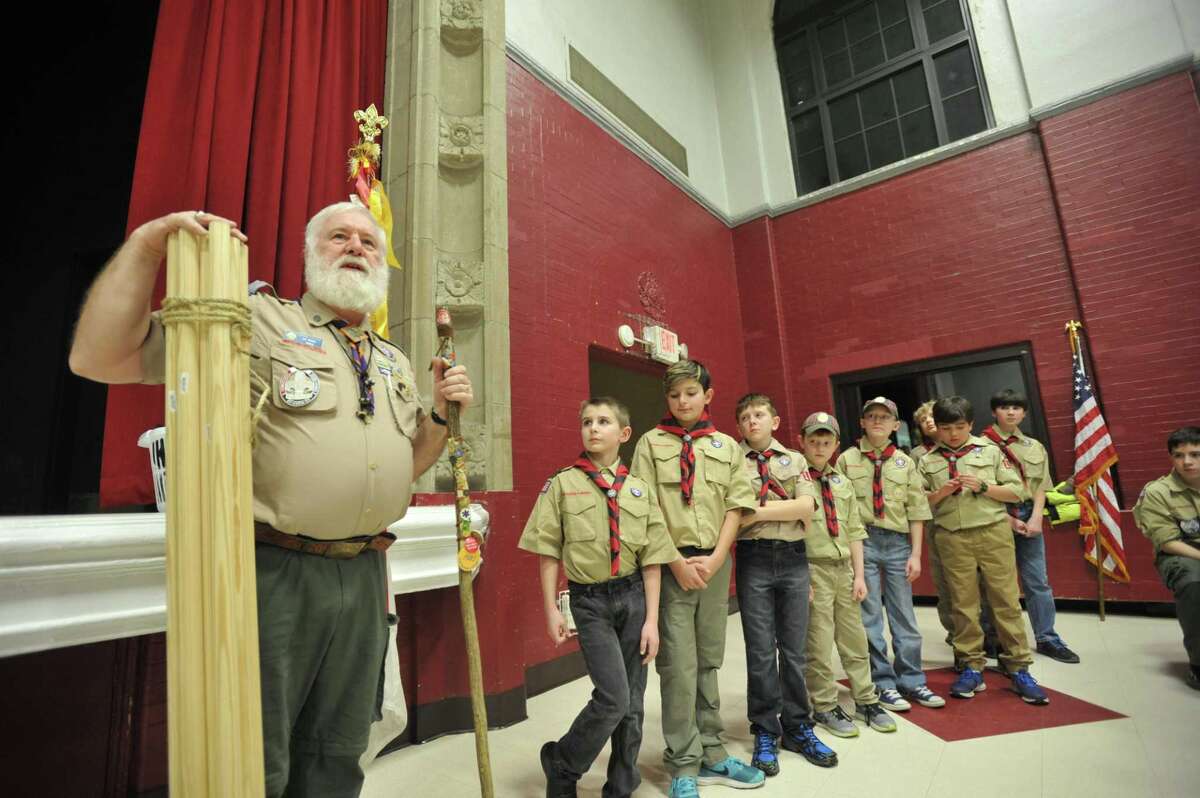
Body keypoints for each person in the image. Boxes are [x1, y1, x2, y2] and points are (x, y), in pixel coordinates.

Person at [69, 205, 474, 797]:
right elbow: (99, 356)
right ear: (311, 255)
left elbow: (406, 465)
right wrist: (145, 248)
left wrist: (437, 414)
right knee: (256, 757)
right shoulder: (257, 321)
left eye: (368, 241)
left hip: (364, 576)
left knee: (337, 754)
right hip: (276, 573)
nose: (356, 247)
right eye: (339, 237)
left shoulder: (392, 360)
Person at [519, 397, 677, 797]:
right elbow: (548, 550)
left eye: (603, 421)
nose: (593, 428)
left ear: (624, 434)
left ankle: (622, 783)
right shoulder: (562, 484)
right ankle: (563, 763)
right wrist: (551, 609)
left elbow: (653, 560)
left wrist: (652, 620)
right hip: (590, 603)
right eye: (587, 421)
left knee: (633, 701)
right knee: (613, 697)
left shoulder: (639, 490)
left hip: (634, 598)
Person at [629, 360, 763, 798]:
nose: (683, 401)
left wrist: (718, 557)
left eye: (691, 392)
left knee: (709, 659)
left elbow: (737, 506)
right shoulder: (651, 443)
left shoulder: (726, 446)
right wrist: (676, 563)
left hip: (714, 565)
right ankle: (683, 762)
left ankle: (712, 750)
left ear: (708, 395)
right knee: (679, 667)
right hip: (672, 567)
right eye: (674, 395)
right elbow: (644, 510)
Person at [917, 396, 1049, 705]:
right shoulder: (927, 461)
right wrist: (940, 493)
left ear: (971, 424)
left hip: (993, 533)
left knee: (1005, 600)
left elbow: (1018, 491)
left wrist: (984, 487)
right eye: (946, 428)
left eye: (960, 427)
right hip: (952, 538)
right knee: (963, 604)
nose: (953, 434)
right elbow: (917, 503)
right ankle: (971, 666)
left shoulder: (990, 452)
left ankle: (1018, 667)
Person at [732, 393, 837, 777]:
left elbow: (806, 506)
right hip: (754, 560)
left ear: (774, 421)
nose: (752, 421)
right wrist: (783, 510)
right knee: (760, 652)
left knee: (794, 651)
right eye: (745, 417)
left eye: (759, 414)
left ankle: (797, 726)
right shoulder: (732, 460)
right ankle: (765, 728)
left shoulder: (795, 460)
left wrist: (756, 511)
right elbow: (733, 514)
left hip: (793, 559)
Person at [837, 397, 944, 712]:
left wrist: (916, 554)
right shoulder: (846, 460)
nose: (877, 421)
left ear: (896, 425)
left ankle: (912, 679)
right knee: (868, 616)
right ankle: (882, 682)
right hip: (863, 542)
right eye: (871, 416)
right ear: (862, 422)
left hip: (898, 544)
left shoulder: (904, 462)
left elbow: (917, 510)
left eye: (884, 417)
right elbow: (840, 509)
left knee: (904, 615)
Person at [798, 412, 896, 737]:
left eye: (826, 442)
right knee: (819, 642)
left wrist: (859, 575)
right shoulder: (796, 481)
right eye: (813, 441)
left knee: (855, 639)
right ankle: (825, 705)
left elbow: (855, 530)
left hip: (844, 570)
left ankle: (866, 699)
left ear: (836, 445)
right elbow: (793, 533)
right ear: (802, 442)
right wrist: (802, 577)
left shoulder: (841, 482)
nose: (819, 447)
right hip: (814, 569)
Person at [980, 389, 1080, 664]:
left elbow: (1040, 486)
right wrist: (1007, 519)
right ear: (994, 412)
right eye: (1004, 407)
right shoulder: (980, 446)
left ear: (1024, 413)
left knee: (1037, 581)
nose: (1011, 412)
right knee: (995, 582)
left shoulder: (1034, 447)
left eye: (1016, 407)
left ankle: (1047, 637)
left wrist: (1036, 517)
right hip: (996, 516)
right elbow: (981, 491)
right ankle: (993, 637)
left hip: (1029, 515)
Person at [1132, 426, 1200, 690]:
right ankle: (1198, 665)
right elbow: (1168, 542)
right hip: (1181, 554)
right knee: (1194, 584)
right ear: (1171, 457)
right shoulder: (1158, 492)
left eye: (1195, 454)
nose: (1187, 462)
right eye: (1179, 455)